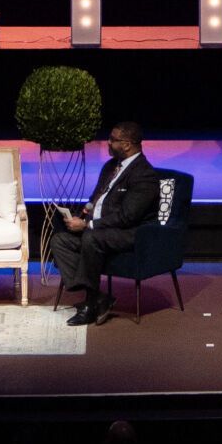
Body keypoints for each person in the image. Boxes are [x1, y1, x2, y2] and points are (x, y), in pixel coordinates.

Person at [52, 121, 159, 326]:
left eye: (113, 139)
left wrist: (88, 226)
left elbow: (128, 217)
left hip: (129, 233)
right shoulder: (111, 166)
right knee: (60, 241)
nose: (107, 143)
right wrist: (83, 216)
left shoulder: (144, 175)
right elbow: (95, 200)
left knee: (91, 238)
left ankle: (91, 303)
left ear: (127, 145)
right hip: (99, 228)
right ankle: (100, 297)